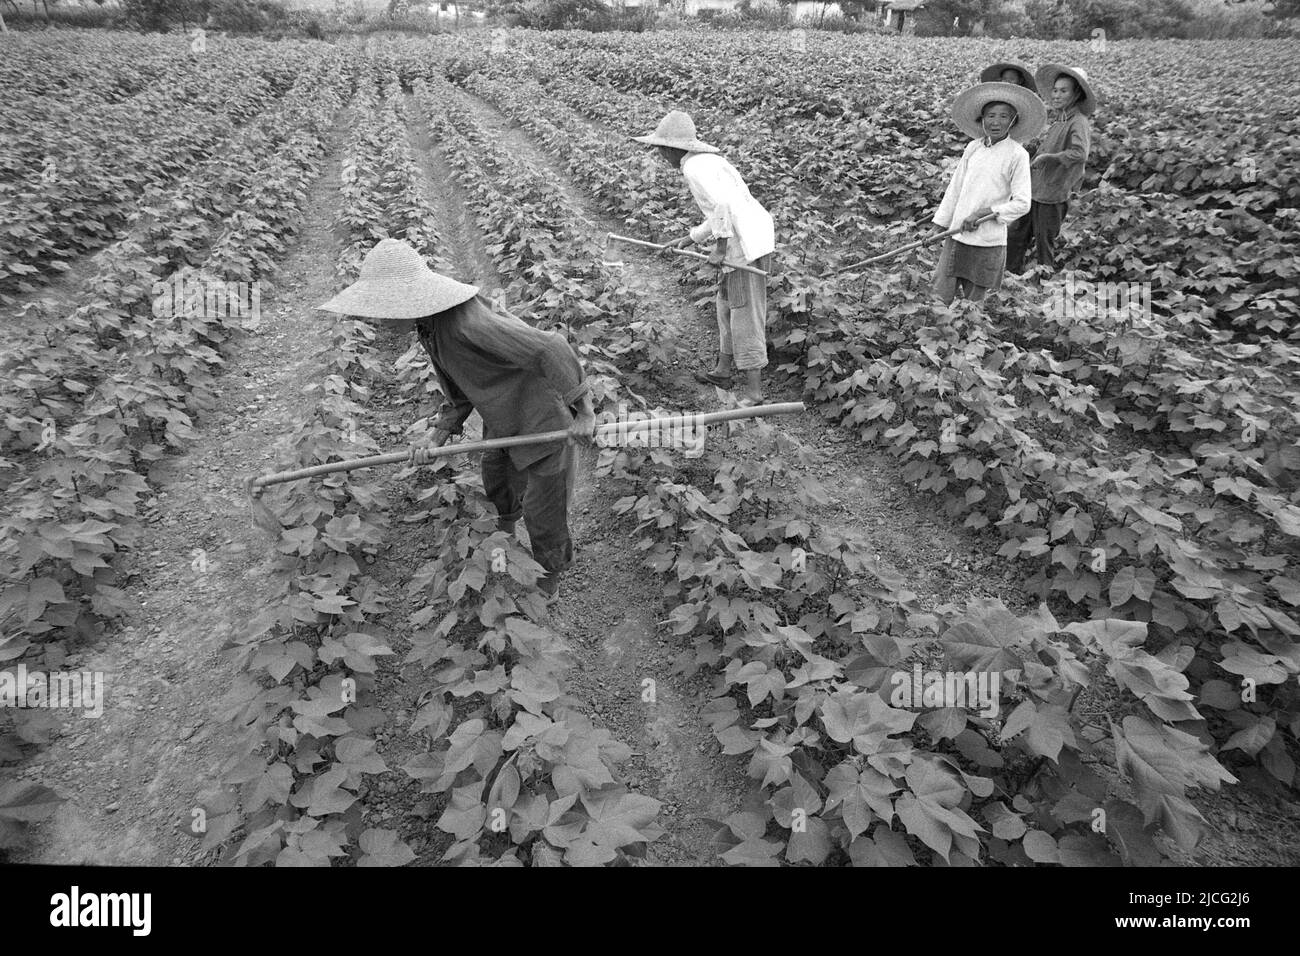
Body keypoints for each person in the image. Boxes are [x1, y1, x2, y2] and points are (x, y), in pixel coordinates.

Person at [317, 238, 596, 602]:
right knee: (497, 481)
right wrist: (437, 437)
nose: (379, 320)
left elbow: (550, 347)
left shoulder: (464, 322)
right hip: (502, 414)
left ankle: (549, 583)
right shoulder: (430, 326)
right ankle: (504, 551)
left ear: (406, 299)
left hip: (541, 420)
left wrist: (584, 411)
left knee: (544, 513)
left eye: (382, 309)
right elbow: (459, 386)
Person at [632, 110, 775, 405]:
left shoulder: (694, 169)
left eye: (661, 151)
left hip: (744, 248)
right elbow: (719, 211)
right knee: (724, 306)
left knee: (745, 315)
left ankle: (754, 393)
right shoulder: (708, 162)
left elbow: (723, 206)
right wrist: (689, 238)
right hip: (748, 235)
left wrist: (720, 249)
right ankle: (723, 370)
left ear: (673, 149)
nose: (661, 156)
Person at [931, 82, 1043, 305]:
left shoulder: (1017, 155)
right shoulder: (973, 148)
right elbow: (956, 188)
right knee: (940, 292)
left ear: (1013, 121)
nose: (996, 122)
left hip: (987, 241)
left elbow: (1022, 203)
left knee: (973, 303)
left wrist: (985, 213)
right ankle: (935, 336)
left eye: (1003, 116)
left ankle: (967, 338)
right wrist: (939, 224)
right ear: (982, 119)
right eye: (991, 115)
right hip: (958, 234)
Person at [1006, 64, 1095, 275]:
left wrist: (1050, 158)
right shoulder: (1060, 120)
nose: (1056, 95)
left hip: (1054, 193)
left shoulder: (1078, 122)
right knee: (1017, 236)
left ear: (1076, 95)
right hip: (1036, 188)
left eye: (1063, 91)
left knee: (1044, 244)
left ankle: (1044, 286)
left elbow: (1080, 154)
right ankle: (1009, 278)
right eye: (1055, 90)